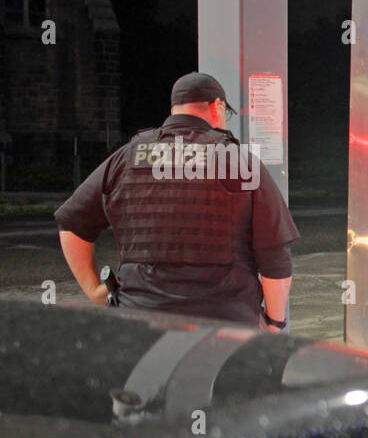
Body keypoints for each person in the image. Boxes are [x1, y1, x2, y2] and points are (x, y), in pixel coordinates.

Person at [55, 72, 299, 331]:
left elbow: (71, 223)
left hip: (139, 324)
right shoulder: (240, 163)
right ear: (216, 106)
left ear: (175, 109)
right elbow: (275, 256)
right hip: (226, 326)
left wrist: (94, 289)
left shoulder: (127, 158)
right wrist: (274, 322)